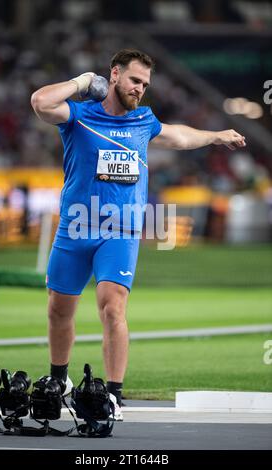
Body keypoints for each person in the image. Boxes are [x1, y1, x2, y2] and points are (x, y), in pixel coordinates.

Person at [31, 48, 246, 421]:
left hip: (122, 230)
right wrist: (82, 82)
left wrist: (215, 136)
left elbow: (177, 137)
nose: (140, 89)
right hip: (76, 227)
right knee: (58, 309)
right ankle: (59, 379)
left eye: (145, 84)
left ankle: (114, 394)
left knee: (112, 307)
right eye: (134, 80)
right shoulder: (79, 115)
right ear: (113, 75)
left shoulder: (144, 120)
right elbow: (40, 102)